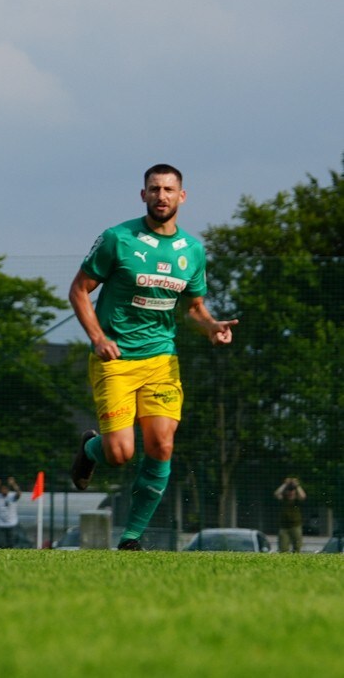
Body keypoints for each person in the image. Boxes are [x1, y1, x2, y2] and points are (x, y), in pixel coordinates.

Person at [68, 164, 238, 551]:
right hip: (115, 360)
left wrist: (212, 326)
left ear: (182, 196)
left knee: (161, 445)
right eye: (154, 189)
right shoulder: (118, 239)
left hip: (161, 361)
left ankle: (131, 538)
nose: (162, 196)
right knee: (120, 453)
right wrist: (98, 337)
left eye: (169, 189)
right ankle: (91, 449)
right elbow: (79, 290)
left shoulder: (192, 250)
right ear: (143, 195)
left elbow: (194, 308)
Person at [275, 477, 306, 553]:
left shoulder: (297, 501)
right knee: (283, 548)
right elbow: (277, 494)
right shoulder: (283, 500)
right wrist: (285, 484)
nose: (290, 493)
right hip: (284, 527)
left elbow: (303, 496)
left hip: (296, 526)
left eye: (292, 491)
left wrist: (297, 486)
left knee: (297, 547)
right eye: (289, 491)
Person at [0, 476, 21, 549]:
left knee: (11, 544)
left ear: (8, 490)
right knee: (1, 544)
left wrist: (13, 484)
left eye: (5, 489)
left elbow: (19, 493)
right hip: (1, 524)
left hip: (11, 523)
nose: (4, 490)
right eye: (2, 489)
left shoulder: (12, 496)